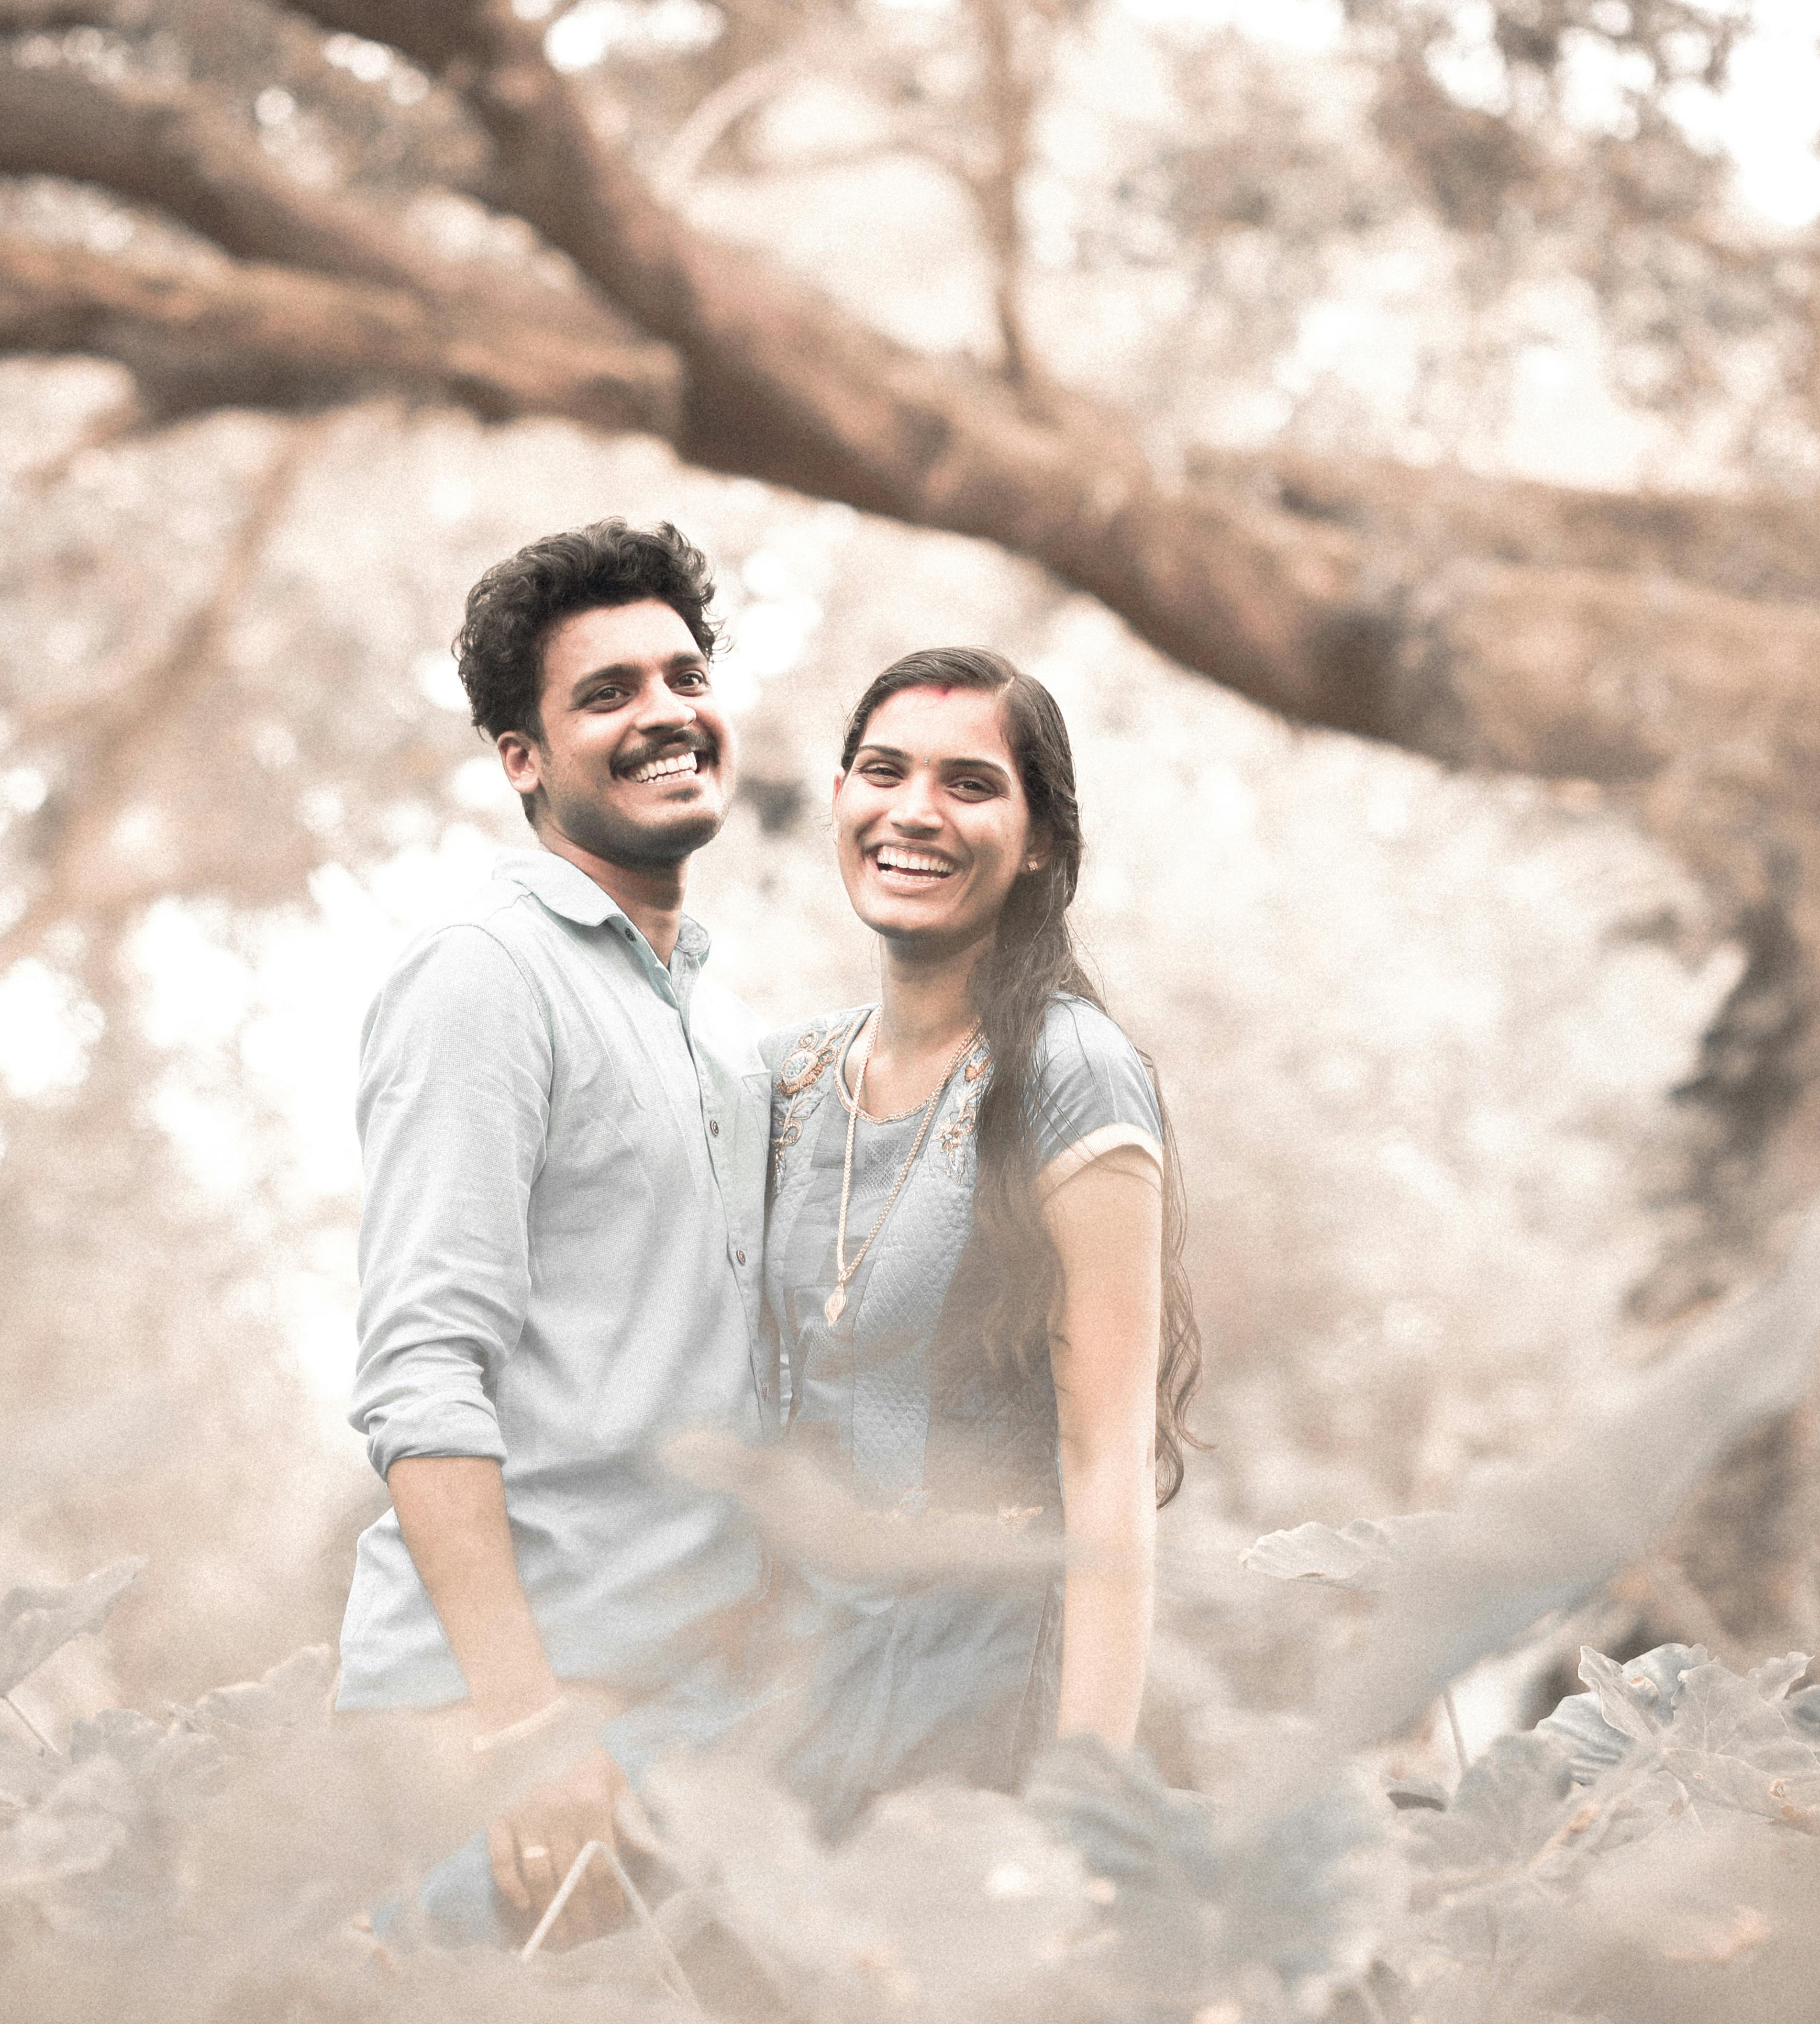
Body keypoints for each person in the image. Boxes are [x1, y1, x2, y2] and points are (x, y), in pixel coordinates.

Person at [337, 518, 771, 1943]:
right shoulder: (482, 977)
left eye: (685, 676)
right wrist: (524, 1726)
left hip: (688, 1714)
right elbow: (422, 1369)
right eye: (608, 693)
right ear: (521, 757)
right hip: (519, 1729)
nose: (667, 713)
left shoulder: (717, 1019)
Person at [756, 647, 1200, 1837]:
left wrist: (1081, 1806)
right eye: (884, 771)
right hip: (788, 1713)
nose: (915, 811)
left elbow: (1107, 1463)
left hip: (975, 1717)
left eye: (969, 783)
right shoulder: (784, 1080)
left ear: (1041, 839)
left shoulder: (1072, 1076)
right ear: (840, 798)